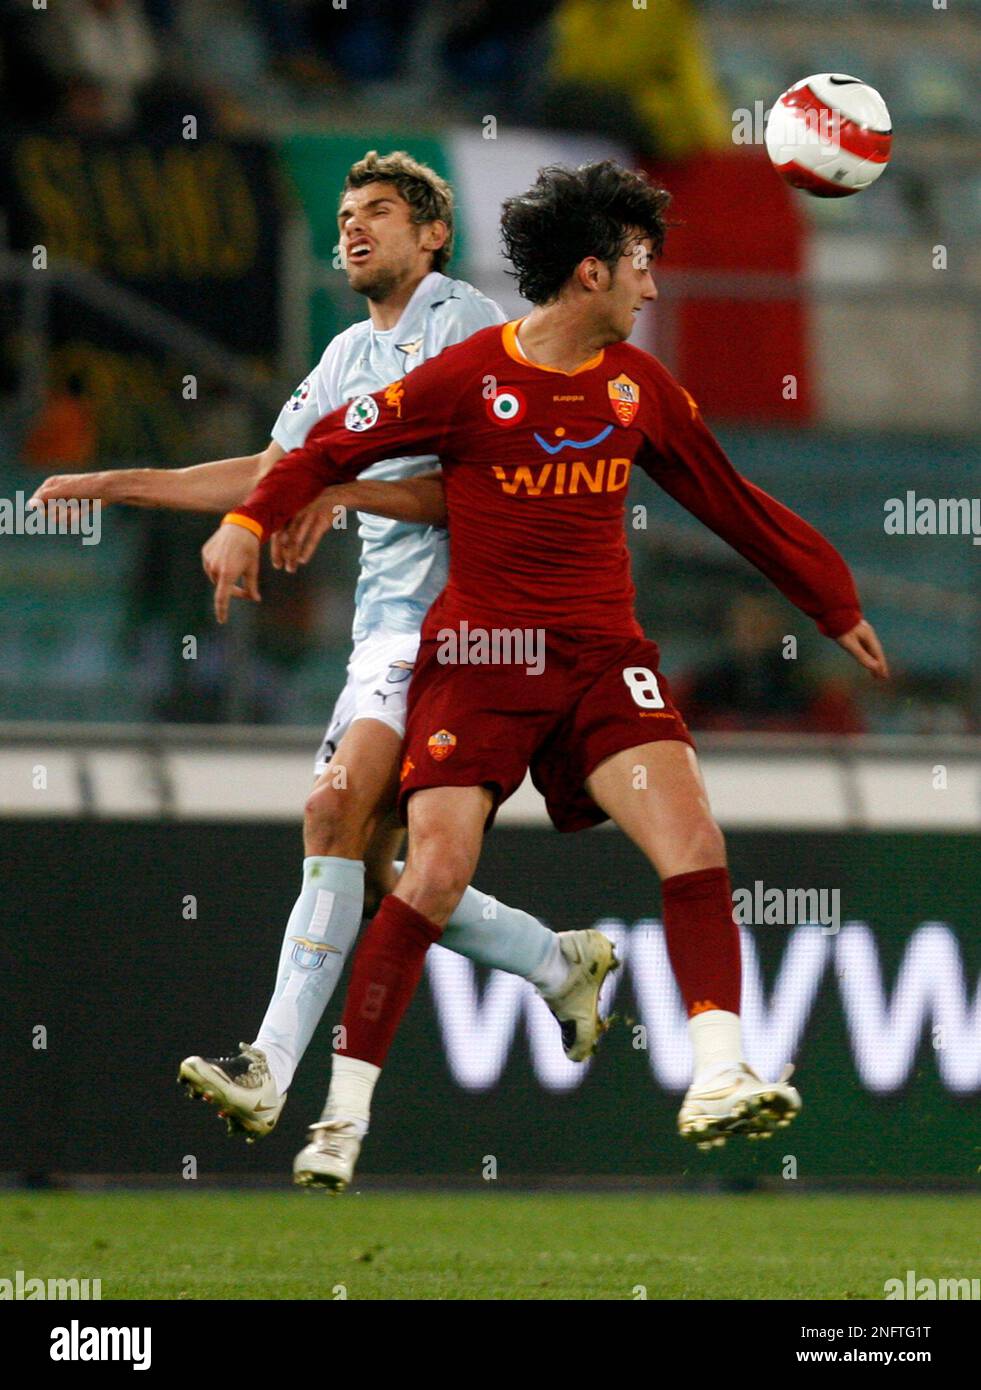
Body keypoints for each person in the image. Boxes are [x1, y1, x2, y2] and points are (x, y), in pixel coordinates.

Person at [203, 160, 890, 1191]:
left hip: (605, 662)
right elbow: (329, 448)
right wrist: (250, 518)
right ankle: (340, 1122)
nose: (652, 289)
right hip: (479, 662)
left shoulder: (638, 389)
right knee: (429, 874)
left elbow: (733, 502)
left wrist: (833, 602)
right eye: (641, 268)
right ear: (590, 273)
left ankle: (717, 1075)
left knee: (695, 839)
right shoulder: (470, 376)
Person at [30, 150, 618, 1184]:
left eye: (380, 212)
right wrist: (117, 483)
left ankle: (267, 1065)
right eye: (345, 215)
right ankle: (551, 957)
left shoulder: (474, 330)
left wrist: (335, 495)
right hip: (388, 633)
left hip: (469, 630)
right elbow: (272, 470)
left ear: (432, 233)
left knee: (332, 815)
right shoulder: (348, 354)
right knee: (384, 865)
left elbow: (474, 493)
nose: (354, 228)